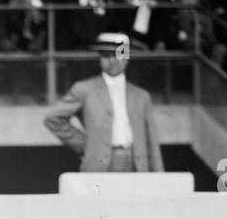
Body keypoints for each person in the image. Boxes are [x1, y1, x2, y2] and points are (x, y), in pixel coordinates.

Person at [44, 33, 164, 172]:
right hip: (99, 163)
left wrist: (160, 174)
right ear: (100, 58)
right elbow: (52, 118)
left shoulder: (141, 96)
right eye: (106, 55)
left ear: (126, 58)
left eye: (118, 55)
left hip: (136, 163)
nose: (112, 60)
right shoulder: (84, 89)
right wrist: (86, 144)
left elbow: (152, 141)